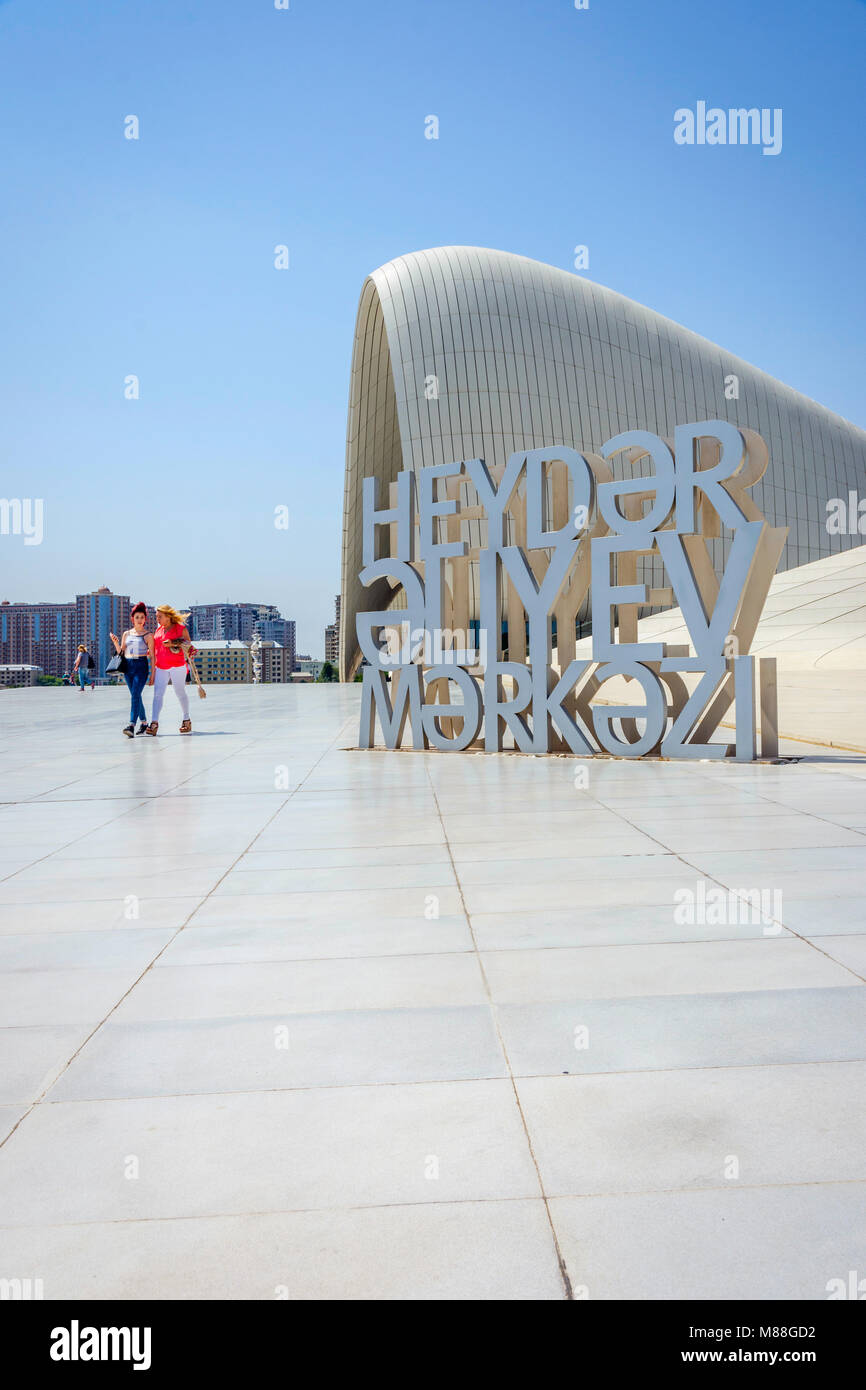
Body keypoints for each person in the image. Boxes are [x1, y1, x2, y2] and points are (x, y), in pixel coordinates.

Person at [146, 605, 197, 735]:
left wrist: (173, 643)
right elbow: (156, 646)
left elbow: (189, 646)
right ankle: (154, 723)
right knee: (158, 694)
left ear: (168, 617)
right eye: (156, 616)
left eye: (160, 616)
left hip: (177, 666)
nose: (157, 619)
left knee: (179, 692)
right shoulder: (158, 630)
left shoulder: (180, 628)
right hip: (161, 666)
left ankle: (186, 719)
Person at [110, 602, 154, 737]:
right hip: (128, 667)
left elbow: (152, 656)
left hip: (141, 666)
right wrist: (116, 642)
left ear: (145, 619)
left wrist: (153, 675)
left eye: (142, 617)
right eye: (137, 617)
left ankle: (131, 725)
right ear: (132, 619)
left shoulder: (148, 635)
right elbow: (121, 653)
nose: (139, 620)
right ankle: (145, 723)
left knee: (135, 695)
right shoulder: (126, 634)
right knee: (136, 695)